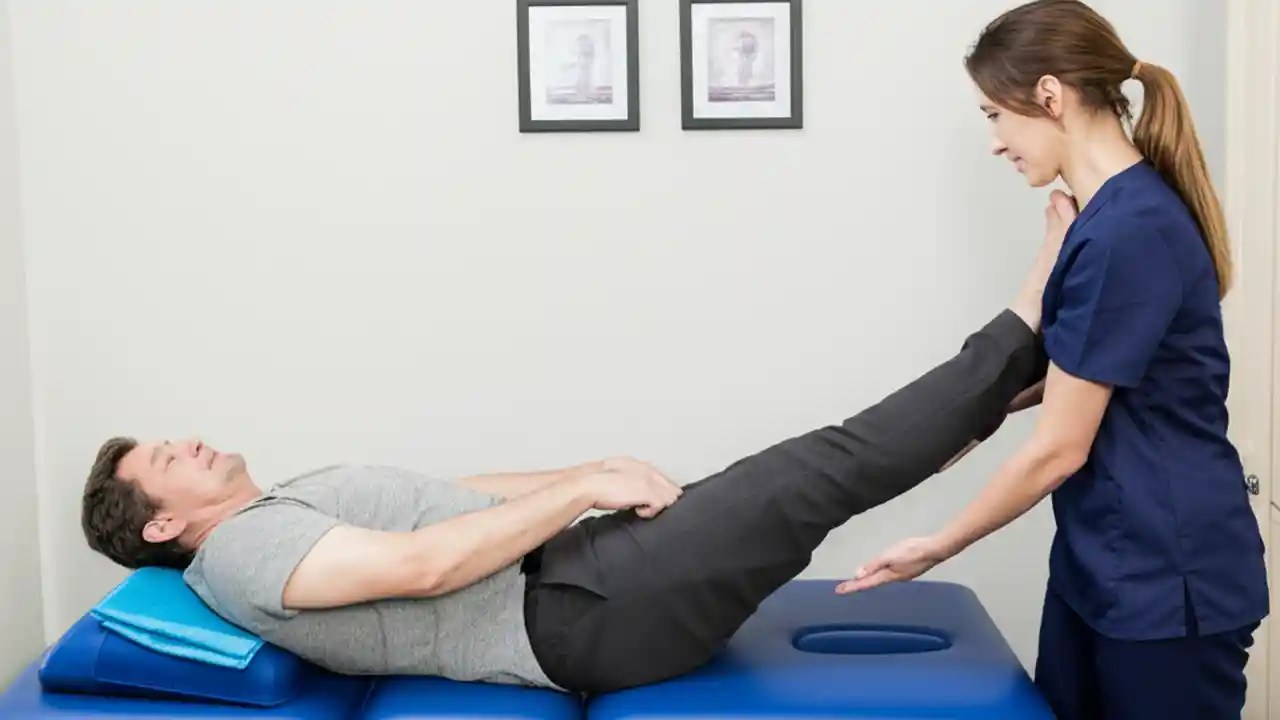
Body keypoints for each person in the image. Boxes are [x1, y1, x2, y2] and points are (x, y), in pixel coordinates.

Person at [80, 200, 1074, 695]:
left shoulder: (275, 508)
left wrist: (577, 484)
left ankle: (1005, 389)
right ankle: (1026, 322)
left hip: (582, 576)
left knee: (815, 473)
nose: (195, 441)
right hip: (580, 615)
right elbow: (425, 564)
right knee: (822, 468)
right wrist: (582, 489)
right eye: (171, 455)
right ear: (164, 520)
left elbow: (448, 496)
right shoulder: (240, 552)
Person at [838, 2, 1269, 718]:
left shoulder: (1129, 230)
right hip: (1102, 563)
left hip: (1168, 577)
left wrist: (937, 547)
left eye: (993, 116)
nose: (995, 143)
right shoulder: (1103, 219)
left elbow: (1057, 451)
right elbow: (1073, 374)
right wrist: (930, 434)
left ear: (1048, 94)